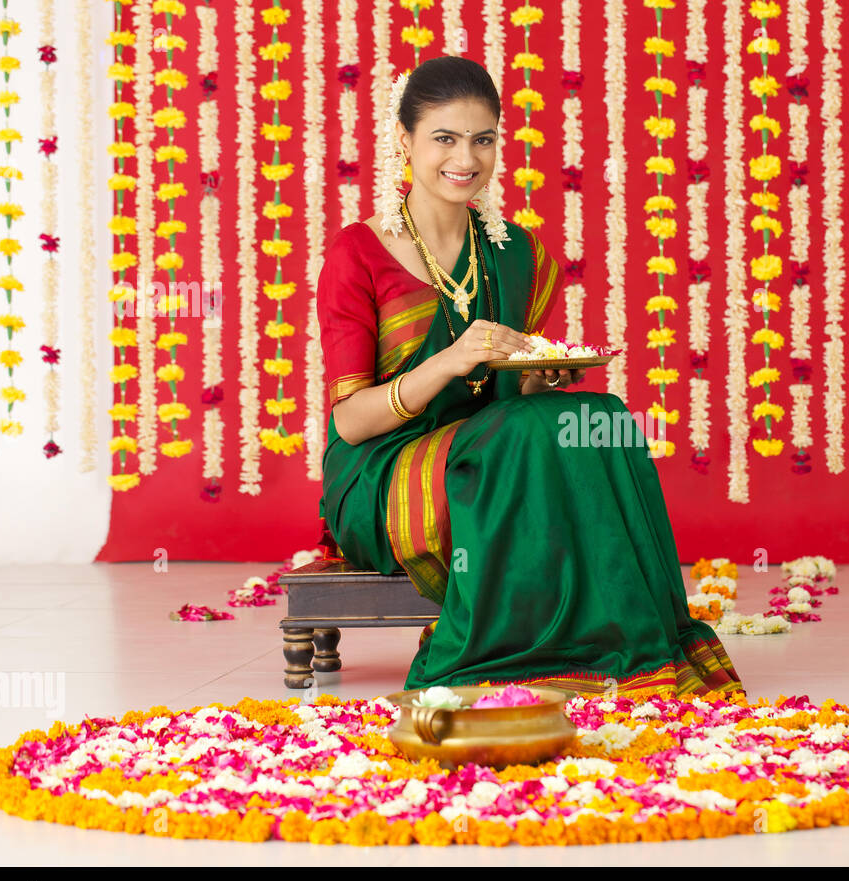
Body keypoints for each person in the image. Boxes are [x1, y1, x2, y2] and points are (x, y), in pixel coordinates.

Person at [316, 55, 742, 698]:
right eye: (445, 139)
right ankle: (522, 658)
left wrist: (543, 380)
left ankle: (624, 643)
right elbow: (349, 423)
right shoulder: (359, 254)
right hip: (384, 472)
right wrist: (451, 359)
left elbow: (514, 399)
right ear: (404, 141)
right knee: (534, 437)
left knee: (597, 419)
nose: (466, 158)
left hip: (498, 450)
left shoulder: (521, 255)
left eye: (482, 139)